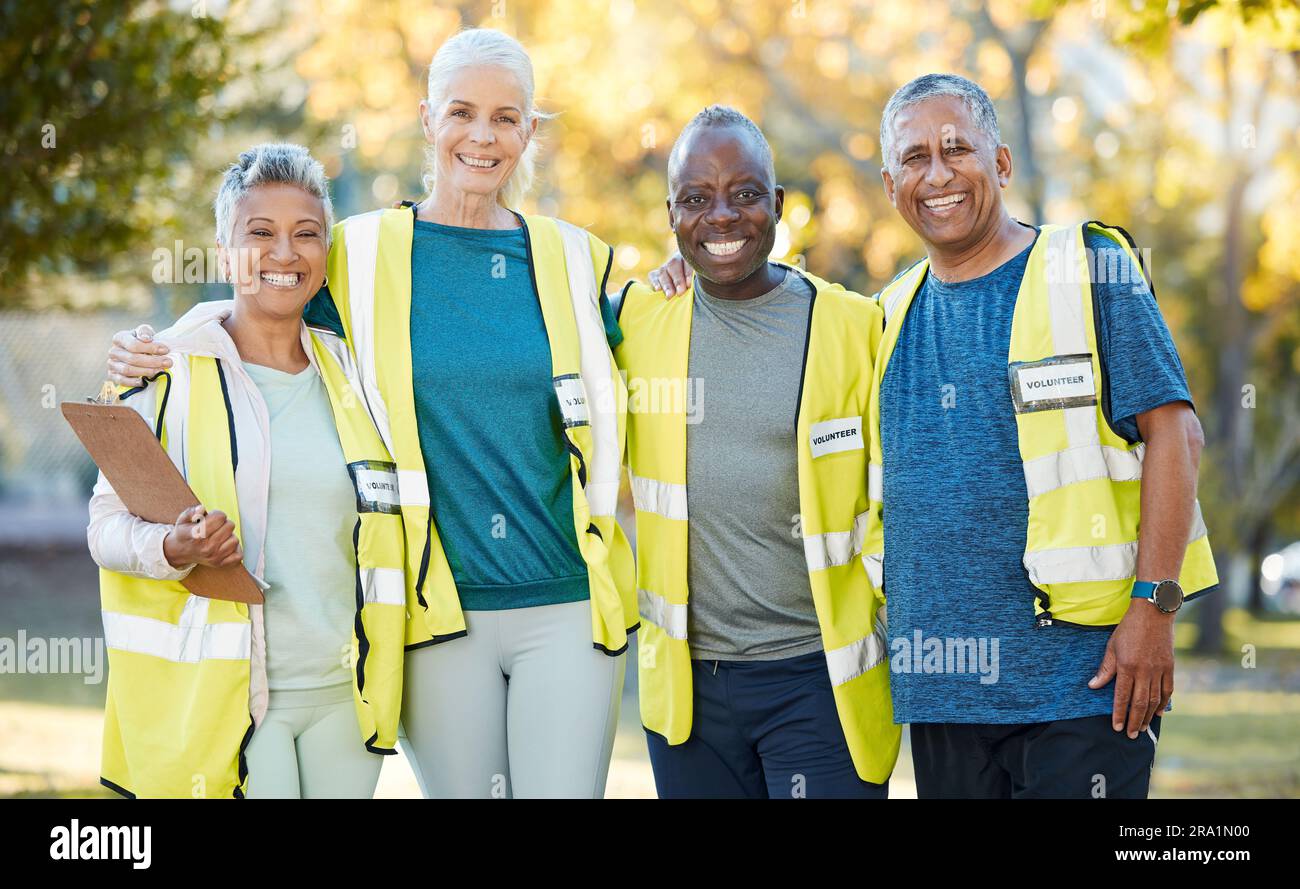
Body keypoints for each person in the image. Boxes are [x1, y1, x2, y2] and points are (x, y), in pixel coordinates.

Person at [103, 29, 635, 799]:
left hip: (565, 600)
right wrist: (155, 343)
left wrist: (684, 267)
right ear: (427, 120)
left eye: (505, 118)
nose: (482, 137)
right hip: (431, 611)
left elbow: (647, 337)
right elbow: (264, 293)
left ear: (528, 131)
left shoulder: (575, 257)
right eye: (461, 112)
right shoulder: (359, 252)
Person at [859, 73, 1218, 798]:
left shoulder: (1091, 268)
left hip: (1085, 682)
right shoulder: (884, 314)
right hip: (944, 688)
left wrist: (1154, 609)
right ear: (889, 182)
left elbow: (1176, 437)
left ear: (1001, 163)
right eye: (914, 156)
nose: (937, 173)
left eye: (957, 148)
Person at [88, 143, 406, 798]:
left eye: (306, 234)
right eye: (260, 233)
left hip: (348, 696)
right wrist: (175, 546)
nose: (284, 254)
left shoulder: (358, 375)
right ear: (225, 246)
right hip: (232, 697)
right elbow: (103, 528)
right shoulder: (161, 370)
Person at [617, 106, 898, 798]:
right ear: (671, 214)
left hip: (818, 683)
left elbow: (899, 499)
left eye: (744, 194)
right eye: (696, 199)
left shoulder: (854, 326)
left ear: (776, 205)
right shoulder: (634, 321)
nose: (722, 216)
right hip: (691, 694)